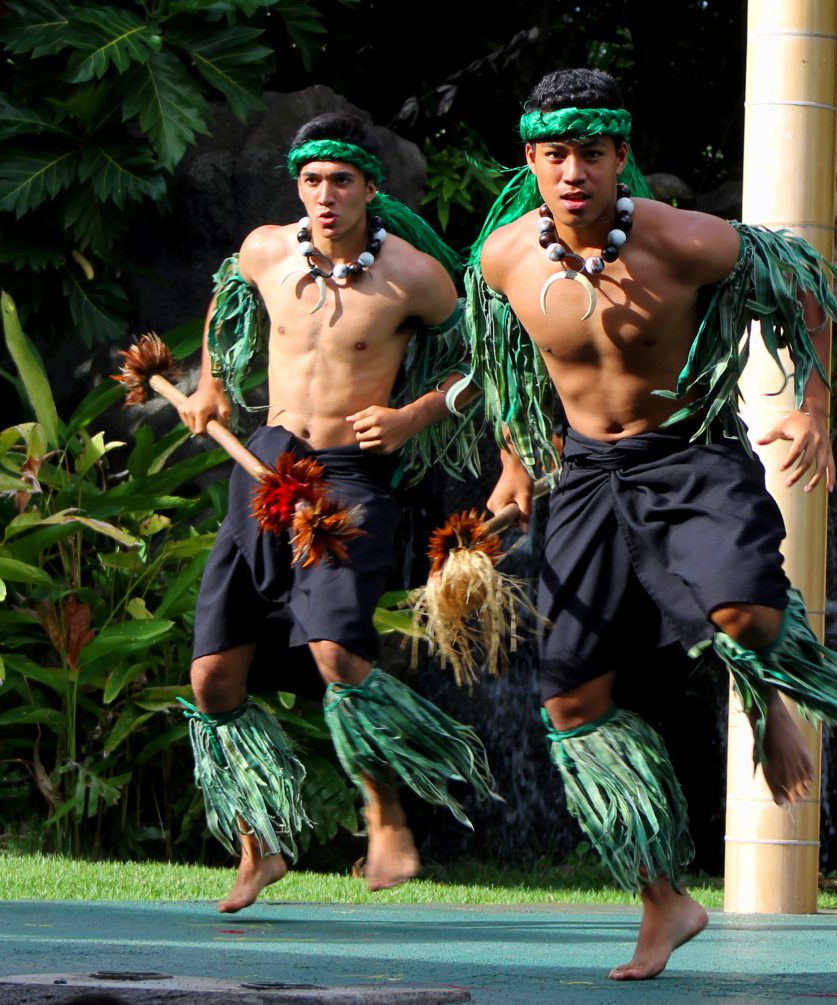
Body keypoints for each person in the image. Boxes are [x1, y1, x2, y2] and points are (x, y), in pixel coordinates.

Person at [465, 69, 837, 980]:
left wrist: (812, 406)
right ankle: (661, 898)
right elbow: (507, 363)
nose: (572, 173)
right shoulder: (504, 260)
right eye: (554, 155)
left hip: (688, 455)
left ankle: (768, 693)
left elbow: (802, 283)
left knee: (744, 616)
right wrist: (516, 464)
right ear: (531, 159)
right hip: (584, 474)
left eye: (590, 154)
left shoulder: (680, 240)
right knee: (569, 700)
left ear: (620, 157)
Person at [175, 111, 495, 914]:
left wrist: (414, 416)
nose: (325, 194)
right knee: (212, 680)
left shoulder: (413, 277)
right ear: (299, 186)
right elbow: (225, 296)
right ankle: (261, 843)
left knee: (337, 655)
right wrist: (211, 381)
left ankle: (384, 813)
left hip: (352, 477)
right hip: (266, 461)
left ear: (370, 189)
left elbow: (487, 366)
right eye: (312, 180)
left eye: (341, 181)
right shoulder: (265, 250)